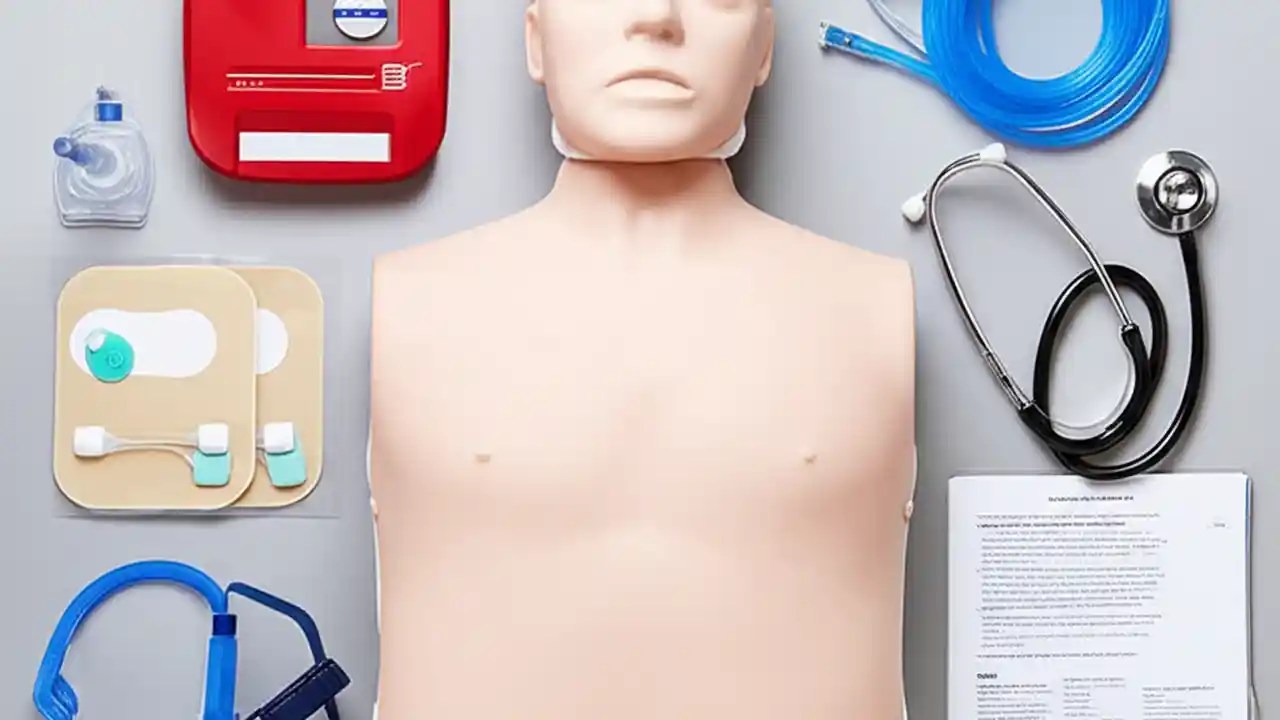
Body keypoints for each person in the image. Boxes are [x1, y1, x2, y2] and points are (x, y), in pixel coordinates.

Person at [368, 1, 916, 717]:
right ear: (535, 40)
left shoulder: (869, 302)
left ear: (763, 51)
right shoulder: (413, 300)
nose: (656, 16)